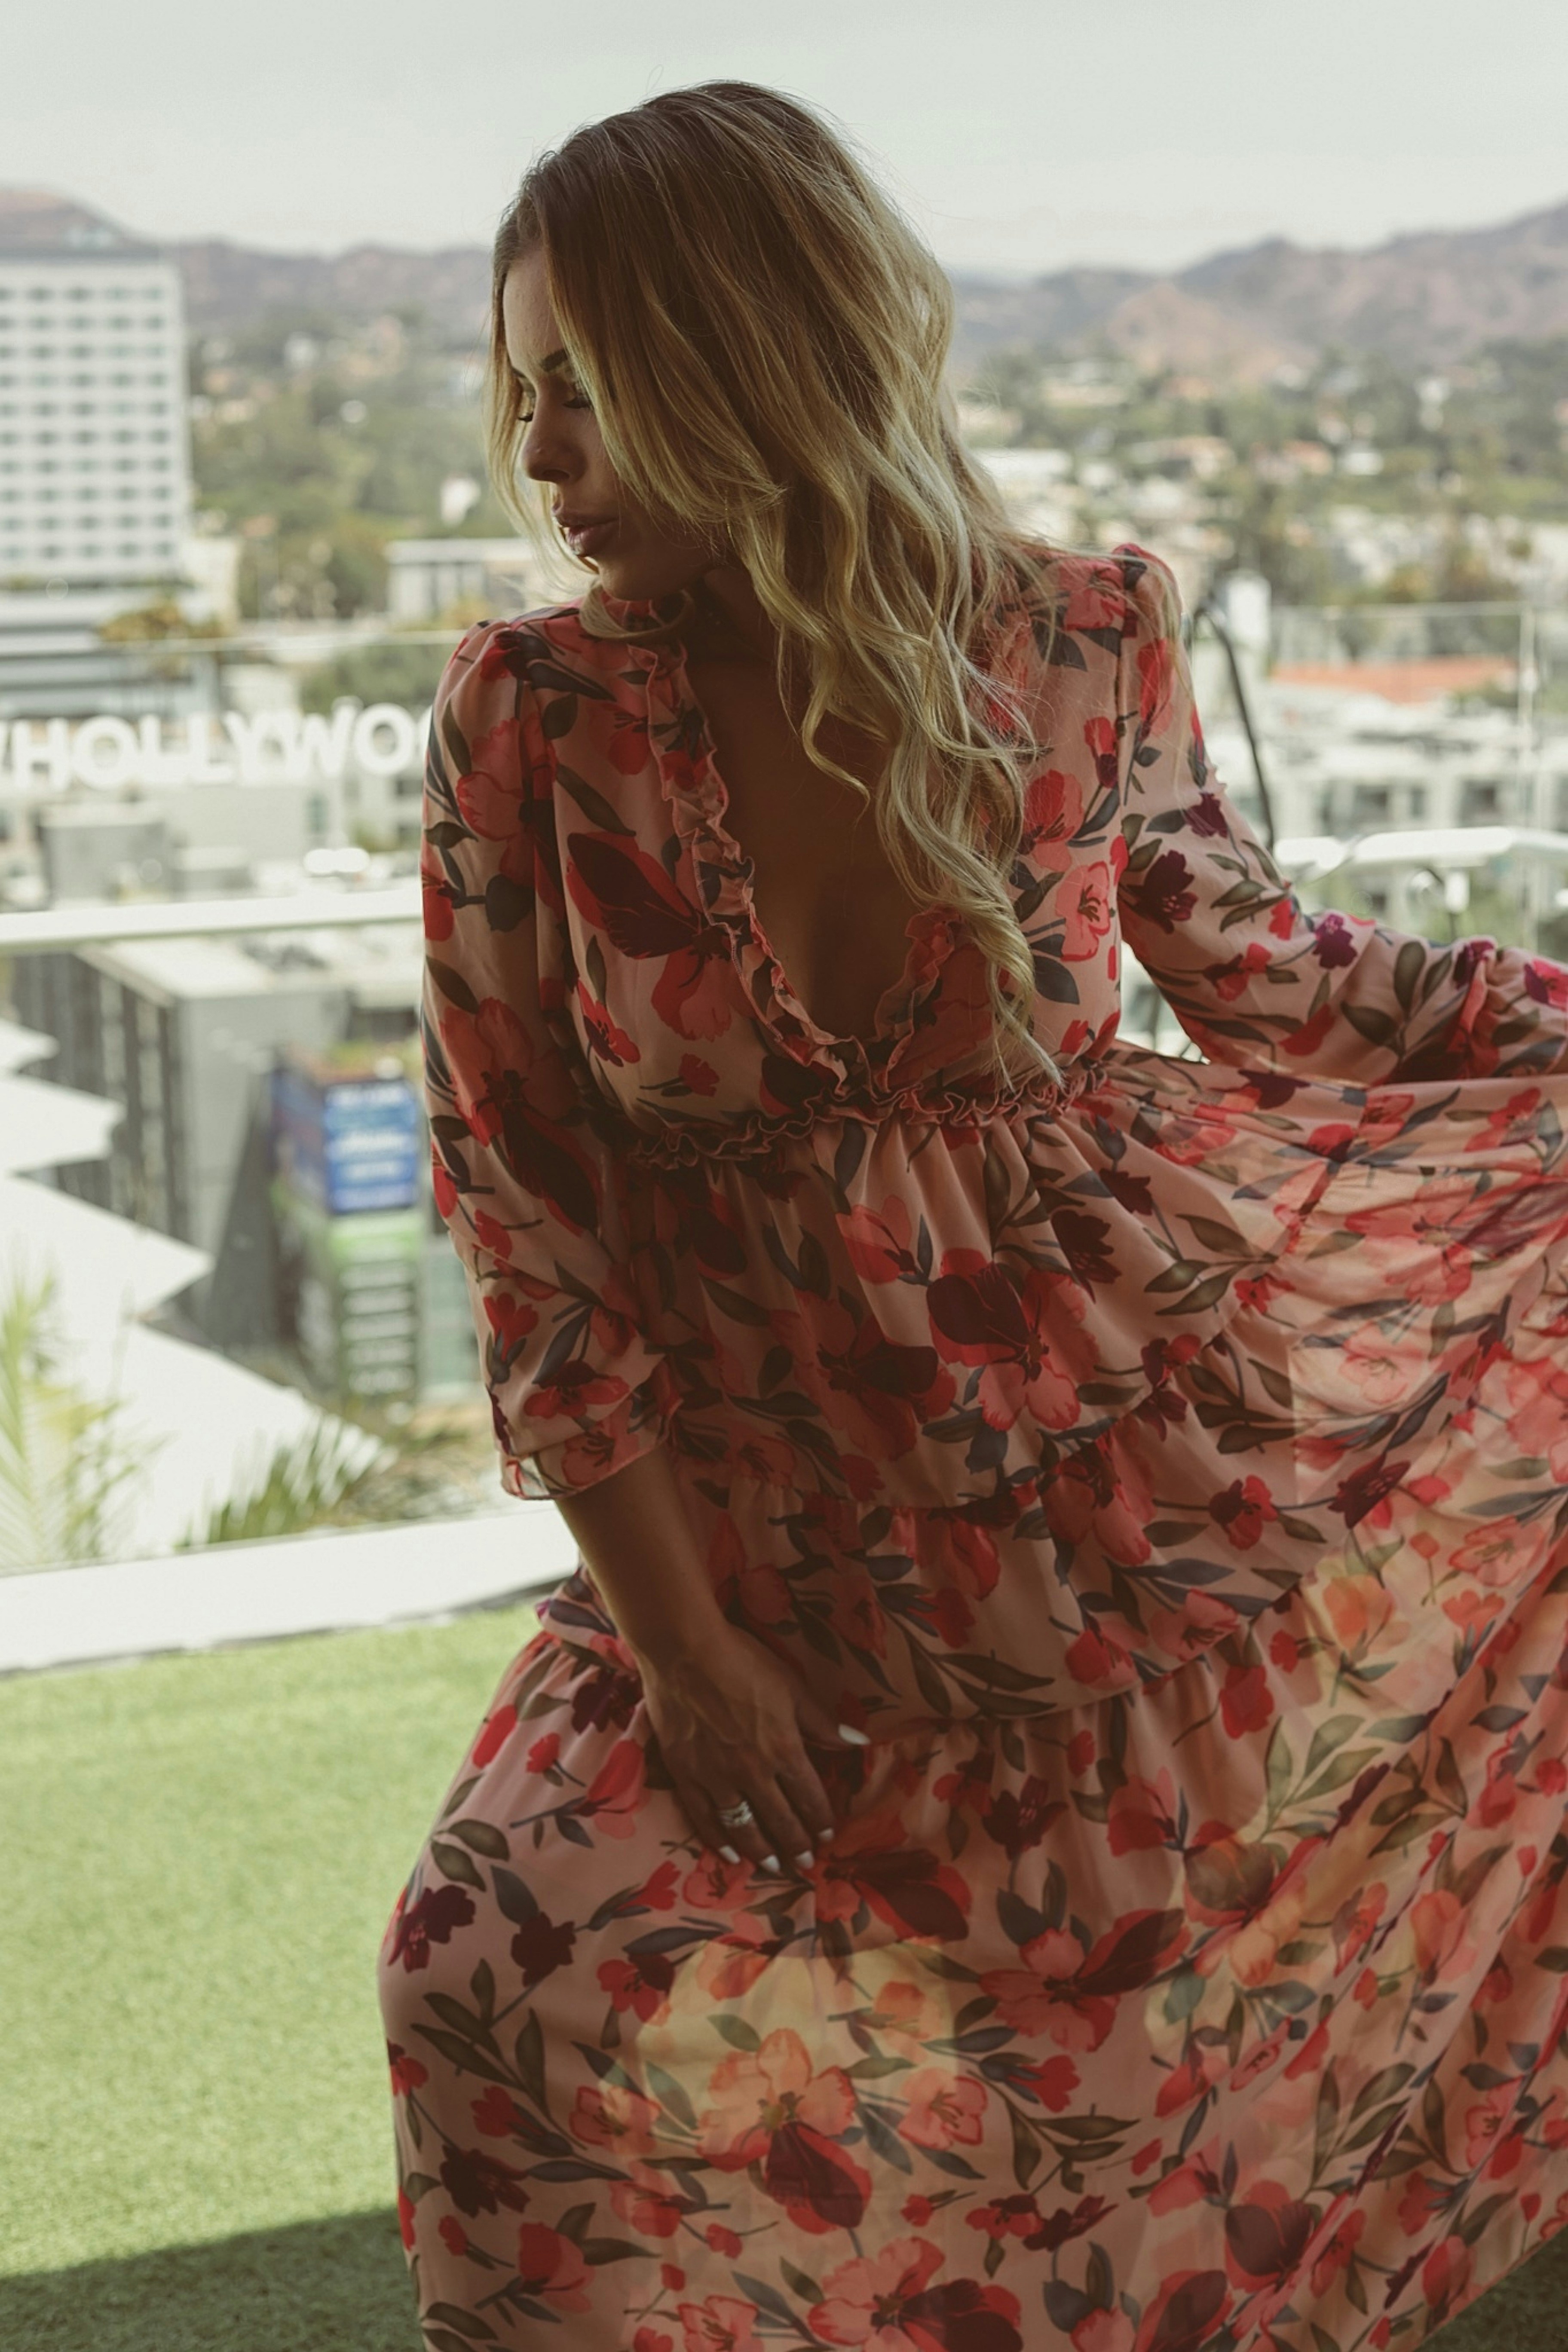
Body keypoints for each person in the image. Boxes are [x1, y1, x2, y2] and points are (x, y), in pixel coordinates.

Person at [378, 81, 1568, 2352]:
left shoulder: (1088, 631)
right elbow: (525, 1219)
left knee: (1112, 2092)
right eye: (514, 390)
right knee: (485, 1982)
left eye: (580, 384)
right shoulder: (536, 718)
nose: (536, 451)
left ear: (744, 349)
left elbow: (1278, 977)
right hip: (765, 1544)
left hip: (1111, 1518)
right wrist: (695, 1653)